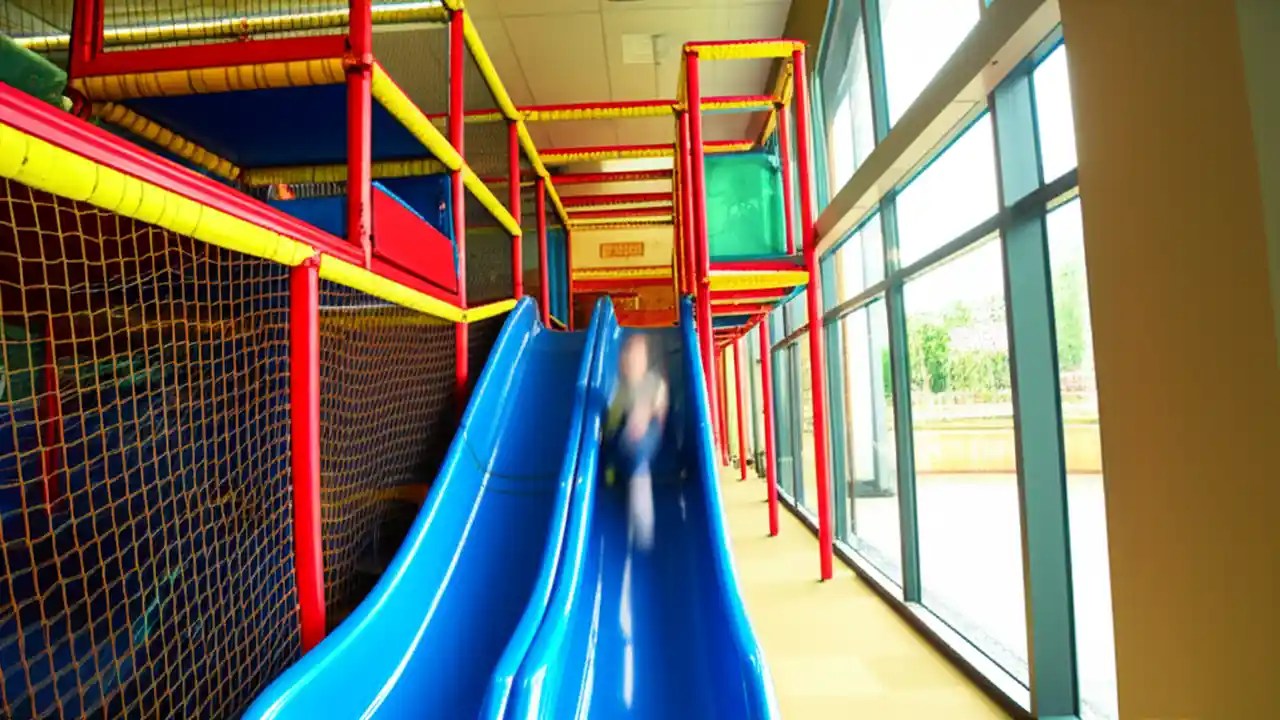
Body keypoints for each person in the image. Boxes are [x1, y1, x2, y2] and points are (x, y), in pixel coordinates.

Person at [604, 334, 669, 551]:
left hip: (647, 436)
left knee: (637, 456)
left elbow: (657, 405)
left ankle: (643, 528)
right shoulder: (620, 390)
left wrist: (643, 416)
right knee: (613, 440)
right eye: (627, 355)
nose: (631, 360)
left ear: (645, 360)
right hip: (624, 436)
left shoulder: (652, 382)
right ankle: (612, 470)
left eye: (637, 356)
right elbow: (612, 418)